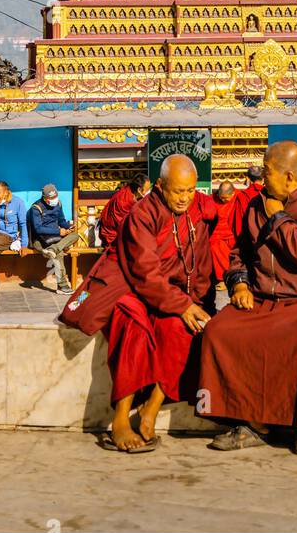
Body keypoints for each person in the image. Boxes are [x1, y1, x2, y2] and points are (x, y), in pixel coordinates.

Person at [61, 154, 218, 453]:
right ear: (160, 186)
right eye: (177, 191)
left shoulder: (196, 213)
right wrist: (181, 304)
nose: (185, 198)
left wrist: (197, 305)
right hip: (131, 289)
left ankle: (150, 409)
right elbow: (144, 272)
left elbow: (202, 267)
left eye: (190, 190)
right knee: (133, 328)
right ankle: (120, 418)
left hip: (169, 296)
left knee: (181, 331)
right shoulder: (143, 214)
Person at [196, 140, 297, 455]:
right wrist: (239, 284)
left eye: (268, 173)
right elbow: (239, 252)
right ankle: (247, 421)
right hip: (263, 299)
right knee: (219, 331)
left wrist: (278, 219)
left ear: (289, 177)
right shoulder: (256, 204)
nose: (262, 181)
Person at [28, 184, 76, 292]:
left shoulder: (58, 204)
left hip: (56, 238)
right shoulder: (36, 208)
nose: (54, 200)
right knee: (58, 254)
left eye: (55, 197)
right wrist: (59, 231)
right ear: (45, 198)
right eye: (51, 198)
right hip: (40, 240)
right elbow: (38, 229)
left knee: (75, 235)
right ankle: (62, 285)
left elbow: (61, 221)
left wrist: (68, 227)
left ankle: (53, 248)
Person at [98, 172, 150, 253]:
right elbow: (122, 225)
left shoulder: (134, 195)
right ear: (139, 190)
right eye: (147, 190)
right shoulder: (122, 201)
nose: (148, 192)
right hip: (113, 236)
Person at [209, 181, 239, 286]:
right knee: (214, 245)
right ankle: (223, 278)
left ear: (233, 193)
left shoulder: (240, 198)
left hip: (234, 231)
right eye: (221, 197)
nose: (223, 200)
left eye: (226, 198)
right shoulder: (212, 199)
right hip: (217, 232)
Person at [232, 163, 264, 239]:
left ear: (248, 179)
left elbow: (238, 223)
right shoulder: (268, 194)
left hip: (248, 238)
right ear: (263, 179)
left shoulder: (242, 196)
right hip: (266, 239)